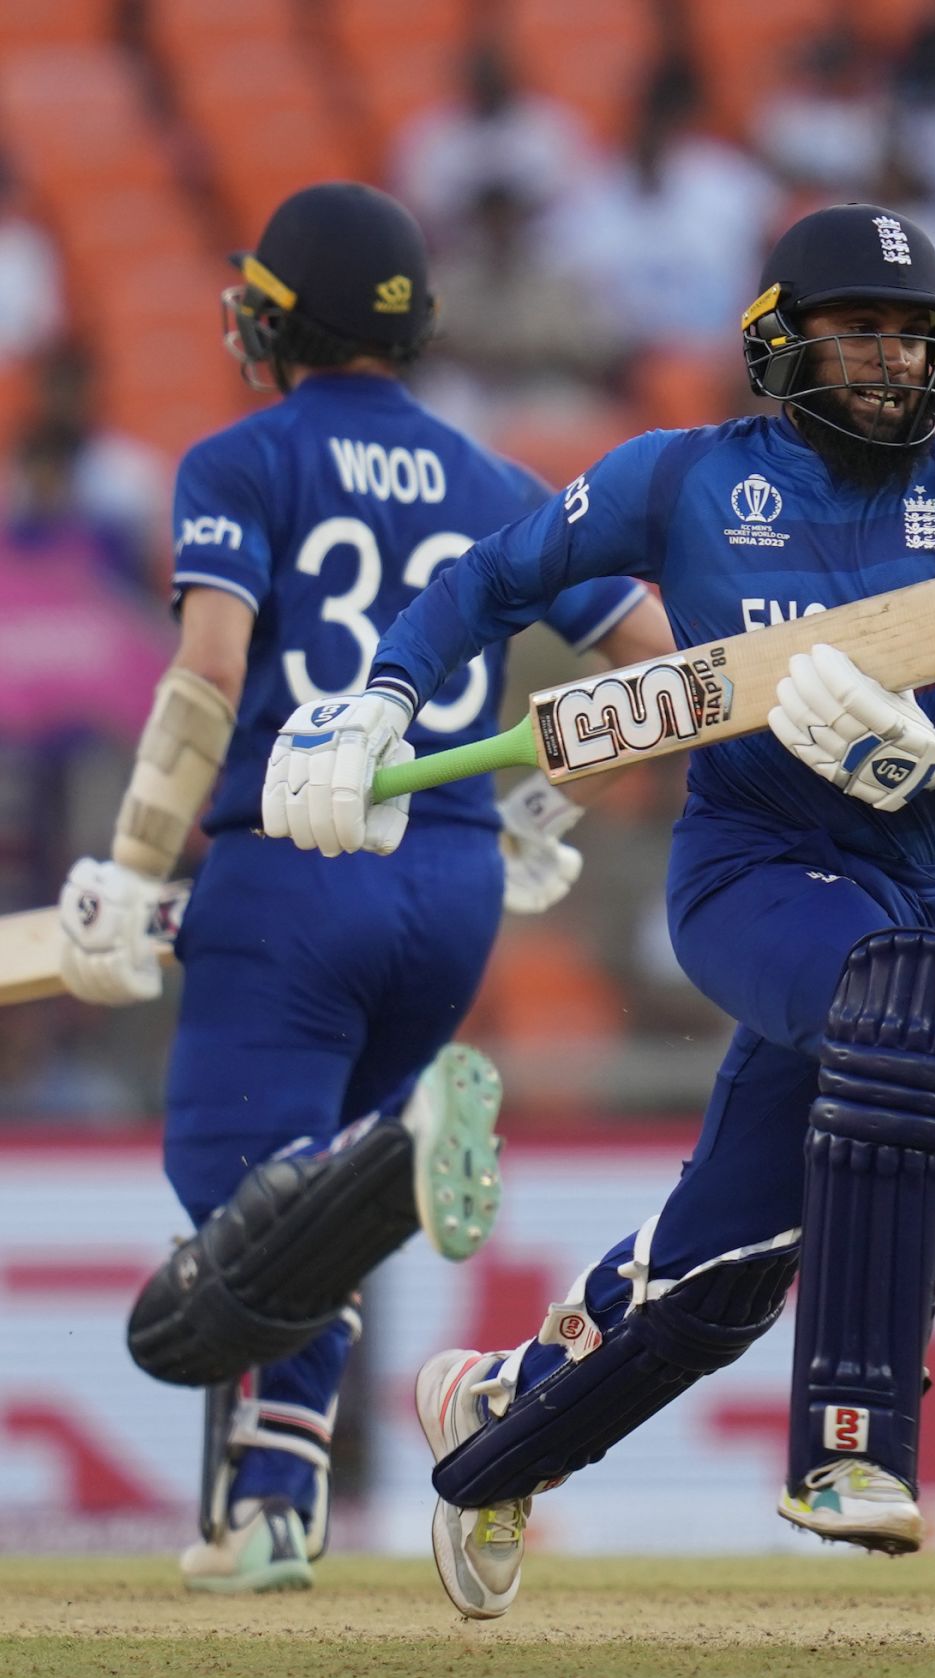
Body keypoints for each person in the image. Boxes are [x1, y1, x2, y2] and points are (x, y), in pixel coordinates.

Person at [263, 201, 935, 1618]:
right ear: (780, 342)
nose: (893, 360)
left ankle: (494, 1428)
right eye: (860, 331)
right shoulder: (685, 482)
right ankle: (853, 1447)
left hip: (905, 890)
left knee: (726, 1272)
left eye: (914, 336)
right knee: (910, 1013)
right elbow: (492, 579)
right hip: (751, 873)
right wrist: (377, 706)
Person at [56, 181, 668, 1595]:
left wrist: (132, 866)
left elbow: (211, 674)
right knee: (301, 1205)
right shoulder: (499, 480)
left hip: (290, 865)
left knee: (236, 1189)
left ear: (283, 315)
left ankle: (387, 1170)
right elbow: (663, 664)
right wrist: (535, 804)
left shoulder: (239, 459)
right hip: (449, 880)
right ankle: (272, 1502)